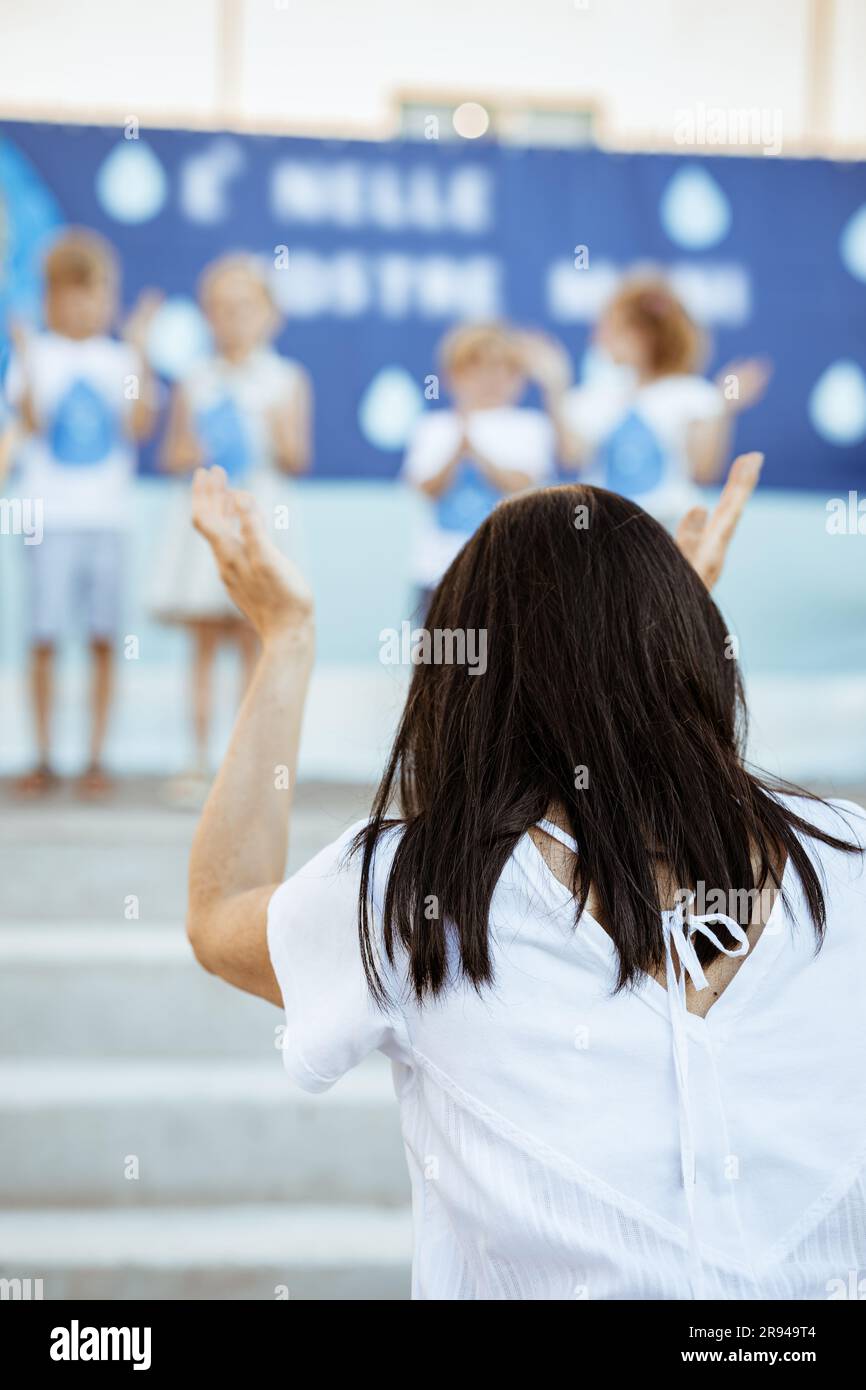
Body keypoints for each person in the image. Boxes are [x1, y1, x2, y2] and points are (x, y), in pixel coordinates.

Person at [184, 455, 866, 1302]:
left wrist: (284, 639)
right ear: (693, 647)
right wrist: (638, 640)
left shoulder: (412, 894)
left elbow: (218, 913)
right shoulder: (850, 859)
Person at [148, 253, 312, 804]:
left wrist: (260, 424)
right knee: (203, 643)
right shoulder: (196, 380)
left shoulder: (286, 378)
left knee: (254, 641)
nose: (232, 318)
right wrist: (197, 444)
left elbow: (297, 455)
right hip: (210, 523)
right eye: (220, 308)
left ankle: (250, 764)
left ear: (270, 314)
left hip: (260, 517)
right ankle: (196, 761)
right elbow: (172, 454)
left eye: (245, 307)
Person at [5, 228, 160, 796]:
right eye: (67, 293)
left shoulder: (120, 357)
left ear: (108, 297)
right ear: (49, 297)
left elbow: (139, 425)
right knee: (44, 638)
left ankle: (97, 758)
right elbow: (35, 423)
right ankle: (43, 755)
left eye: (91, 293)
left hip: (107, 522)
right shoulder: (36, 354)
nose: (80, 305)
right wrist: (22, 354)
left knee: (102, 639)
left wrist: (141, 347)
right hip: (50, 519)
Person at [549, 276, 771, 528]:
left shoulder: (692, 395)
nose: (597, 339)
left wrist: (723, 408)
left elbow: (703, 470)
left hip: (667, 531)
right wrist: (554, 384)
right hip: (604, 532)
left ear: (642, 336)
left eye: (609, 328)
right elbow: (571, 455)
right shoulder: (596, 396)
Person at [402, 322, 555, 612]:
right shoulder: (433, 428)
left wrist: (477, 452)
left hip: (508, 568)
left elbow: (522, 485)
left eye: (501, 370)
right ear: (452, 378)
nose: (489, 381)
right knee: (442, 652)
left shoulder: (528, 426)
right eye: (476, 370)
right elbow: (424, 489)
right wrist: (456, 450)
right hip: (438, 567)